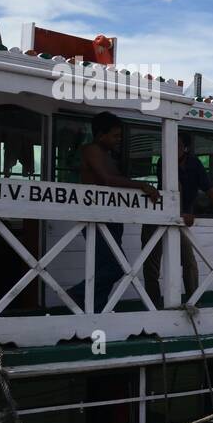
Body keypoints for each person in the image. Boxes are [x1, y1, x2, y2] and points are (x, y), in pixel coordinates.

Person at [68, 112, 160, 309]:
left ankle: (95, 308)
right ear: (101, 134)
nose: (118, 140)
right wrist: (141, 186)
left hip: (111, 216)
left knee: (105, 265)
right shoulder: (91, 150)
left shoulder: (107, 155)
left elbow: (116, 180)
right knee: (115, 267)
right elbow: (107, 180)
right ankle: (77, 295)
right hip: (95, 216)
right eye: (115, 136)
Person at [141, 135, 213, 308]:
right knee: (151, 264)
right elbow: (171, 188)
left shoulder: (194, 164)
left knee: (189, 261)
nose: (173, 149)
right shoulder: (163, 162)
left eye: (177, 145)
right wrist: (182, 214)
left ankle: (193, 302)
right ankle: (153, 306)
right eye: (170, 145)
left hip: (179, 219)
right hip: (159, 216)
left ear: (184, 148)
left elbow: (210, 190)